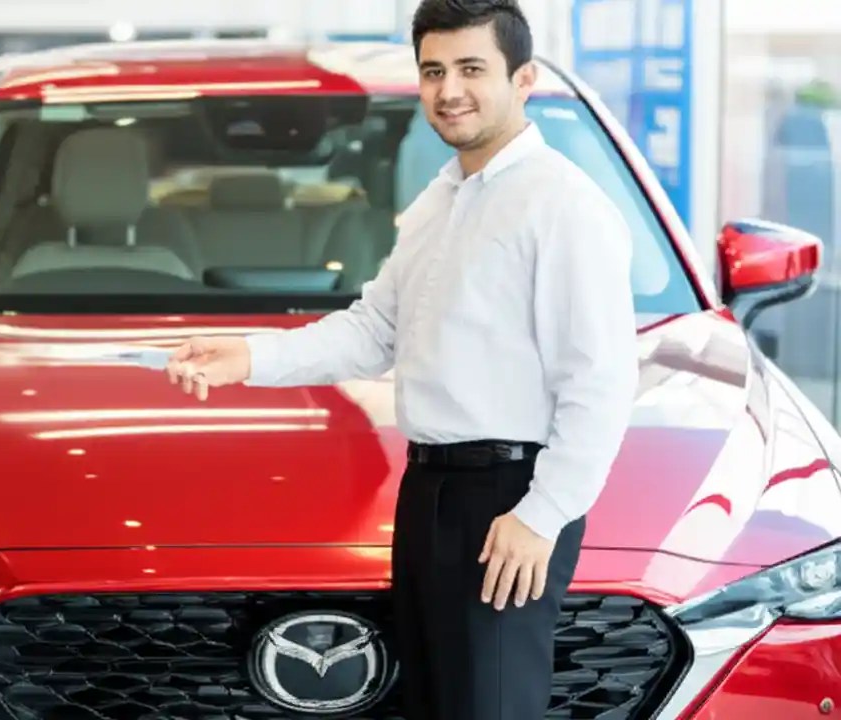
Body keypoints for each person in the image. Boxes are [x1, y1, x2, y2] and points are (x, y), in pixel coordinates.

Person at [163, 1, 639, 718]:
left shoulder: (562, 207)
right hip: (431, 491)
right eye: (434, 71)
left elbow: (600, 382)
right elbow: (374, 330)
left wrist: (542, 515)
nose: (450, 90)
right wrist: (248, 357)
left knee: (491, 706)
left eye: (472, 69)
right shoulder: (439, 203)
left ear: (524, 77)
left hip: (510, 495)